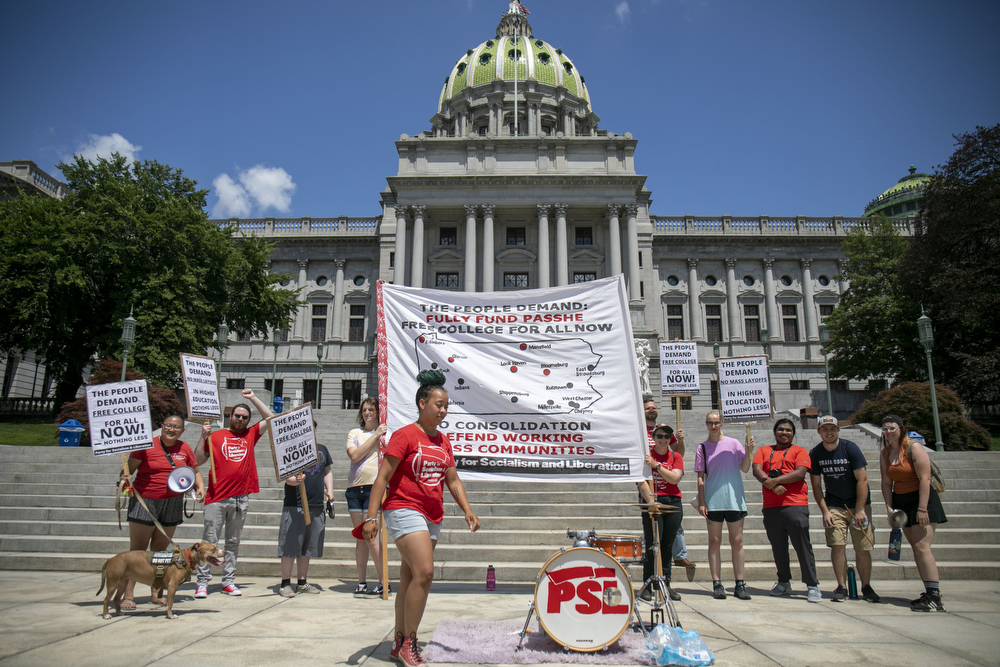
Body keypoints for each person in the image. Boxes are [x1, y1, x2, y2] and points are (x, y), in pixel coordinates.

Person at [364, 370, 480, 667]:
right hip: (403, 507)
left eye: (446, 406)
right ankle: (410, 644)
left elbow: (452, 480)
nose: (443, 411)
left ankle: (399, 639)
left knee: (409, 577)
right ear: (421, 403)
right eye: (438, 404)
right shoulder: (405, 435)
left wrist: (467, 509)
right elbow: (383, 478)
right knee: (425, 573)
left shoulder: (443, 441)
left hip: (432, 515)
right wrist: (371, 515)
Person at [119, 414, 205, 609]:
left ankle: (156, 593)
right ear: (161, 426)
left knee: (160, 551)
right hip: (145, 501)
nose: (171, 429)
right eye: (168, 426)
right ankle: (128, 596)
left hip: (173, 502)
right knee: (137, 552)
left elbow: (195, 471)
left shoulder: (184, 448)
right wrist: (124, 478)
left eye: (176, 427)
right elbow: (127, 472)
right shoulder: (146, 445)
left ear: (182, 430)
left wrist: (200, 487)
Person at [194, 388, 273, 598]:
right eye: (237, 415)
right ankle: (202, 581)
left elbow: (271, 418)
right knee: (209, 542)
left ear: (248, 420)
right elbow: (199, 460)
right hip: (216, 497)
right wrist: (203, 437)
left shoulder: (251, 434)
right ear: (230, 416)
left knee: (233, 541)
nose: (240, 419)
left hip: (240, 498)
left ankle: (228, 581)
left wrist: (253, 398)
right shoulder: (216, 435)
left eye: (244, 417)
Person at [879, 414, 947, 612]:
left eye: (892, 428)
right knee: (916, 548)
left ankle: (935, 597)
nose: (888, 432)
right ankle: (929, 592)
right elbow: (885, 482)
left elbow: (925, 478)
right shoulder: (885, 452)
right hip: (901, 502)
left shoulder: (913, 447)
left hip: (921, 499)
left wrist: (922, 508)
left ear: (901, 428)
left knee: (922, 546)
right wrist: (889, 507)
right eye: (885, 428)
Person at [809, 415, 880, 603]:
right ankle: (841, 586)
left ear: (838, 430)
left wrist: (860, 509)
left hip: (858, 505)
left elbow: (862, 480)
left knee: (862, 547)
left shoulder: (850, 448)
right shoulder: (816, 453)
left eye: (832, 428)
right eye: (825, 429)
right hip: (834, 505)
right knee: (837, 545)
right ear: (819, 432)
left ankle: (866, 586)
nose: (829, 432)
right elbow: (816, 486)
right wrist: (825, 511)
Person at [752, 418, 821, 602]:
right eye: (781, 429)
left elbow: (800, 472)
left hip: (795, 504)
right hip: (772, 506)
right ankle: (783, 582)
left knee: (802, 546)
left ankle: (812, 585)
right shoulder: (763, 450)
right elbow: (757, 469)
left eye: (788, 430)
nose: (784, 433)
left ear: (793, 433)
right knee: (778, 547)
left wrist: (775, 481)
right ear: (775, 432)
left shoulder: (799, 451)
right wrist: (771, 484)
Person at [694, 410, 753, 600]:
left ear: (722, 424)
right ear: (705, 424)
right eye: (710, 423)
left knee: (737, 541)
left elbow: (744, 468)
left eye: (716, 422)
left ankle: (740, 583)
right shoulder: (702, 447)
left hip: (734, 499)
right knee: (715, 541)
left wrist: (749, 451)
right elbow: (700, 478)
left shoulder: (734, 444)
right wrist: (702, 501)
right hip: (713, 500)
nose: (713, 426)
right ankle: (717, 582)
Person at [278, 422, 333, 597]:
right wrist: (293, 480)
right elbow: (286, 476)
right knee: (290, 546)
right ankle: (285, 583)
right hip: (296, 504)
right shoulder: (290, 449)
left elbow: (327, 472)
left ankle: (302, 582)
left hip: (316, 504)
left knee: (307, 546)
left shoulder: (322, 449)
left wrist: (330, 493)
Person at [643, 398, 695, 571]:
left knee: (673, 528)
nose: (651, 410)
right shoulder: (639, 431)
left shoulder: (664, 429)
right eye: (648, 408)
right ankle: (652, 574)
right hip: (649, 483)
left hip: (668, 482)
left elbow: (677, 454)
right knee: (654, 535)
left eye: (654, 408)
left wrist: (679, 440)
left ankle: (679, 555)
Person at [346, 396, 388, 598]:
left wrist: (380, 433)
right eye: (364, 409)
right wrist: (375, 436)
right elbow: (354, 456)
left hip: (374, 488)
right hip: (355, 488)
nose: (367, 412)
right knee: (361, 538)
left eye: (371, 409)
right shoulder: (355, 433)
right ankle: (361, 582)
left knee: (372, 538)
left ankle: (382, 582)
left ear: (377, 412)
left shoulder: (385, 434)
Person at [638, 423, 684, 602]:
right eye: (660, 436)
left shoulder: (675, 456)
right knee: (652, 544)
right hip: (653, 501)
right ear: (654, 438)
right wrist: (650, 502)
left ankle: (666, 582)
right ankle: (648, 584)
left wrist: (657, 466)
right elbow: (642, 481)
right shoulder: (647, 456)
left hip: (673, 502)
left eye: (666, 437)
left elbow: (674, 478)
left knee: (667, 545)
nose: (663, 440)